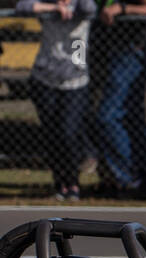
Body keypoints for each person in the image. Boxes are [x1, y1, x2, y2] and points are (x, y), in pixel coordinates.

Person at [18, 0, 97, 201]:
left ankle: (72, 182)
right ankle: (59, 183)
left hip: (75, 80)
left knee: (69, 131)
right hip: (46, 79)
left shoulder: (82, 8)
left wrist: (70, 7)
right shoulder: (48, 8)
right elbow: (23, 6)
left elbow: (89, 8)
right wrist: (54, 8)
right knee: (52, 134)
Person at [92, 0, 146, 197]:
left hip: (132, 52)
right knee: (128, 119)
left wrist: (122, 9)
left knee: (108, 116)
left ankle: (130, 177)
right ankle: (131, 178)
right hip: (110, 52)